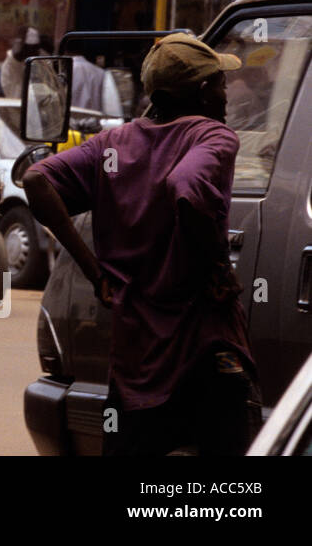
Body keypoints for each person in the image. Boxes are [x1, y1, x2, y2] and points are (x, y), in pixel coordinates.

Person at [22, 34, 261, 455]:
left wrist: (95, 272)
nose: (226, 94)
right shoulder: (213, 136)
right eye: (220, 83)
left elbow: (37, 180)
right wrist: (217, 272)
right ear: (204, 92)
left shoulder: (113, 144)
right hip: (203, 349)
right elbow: (185, 187)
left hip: (136, 363)